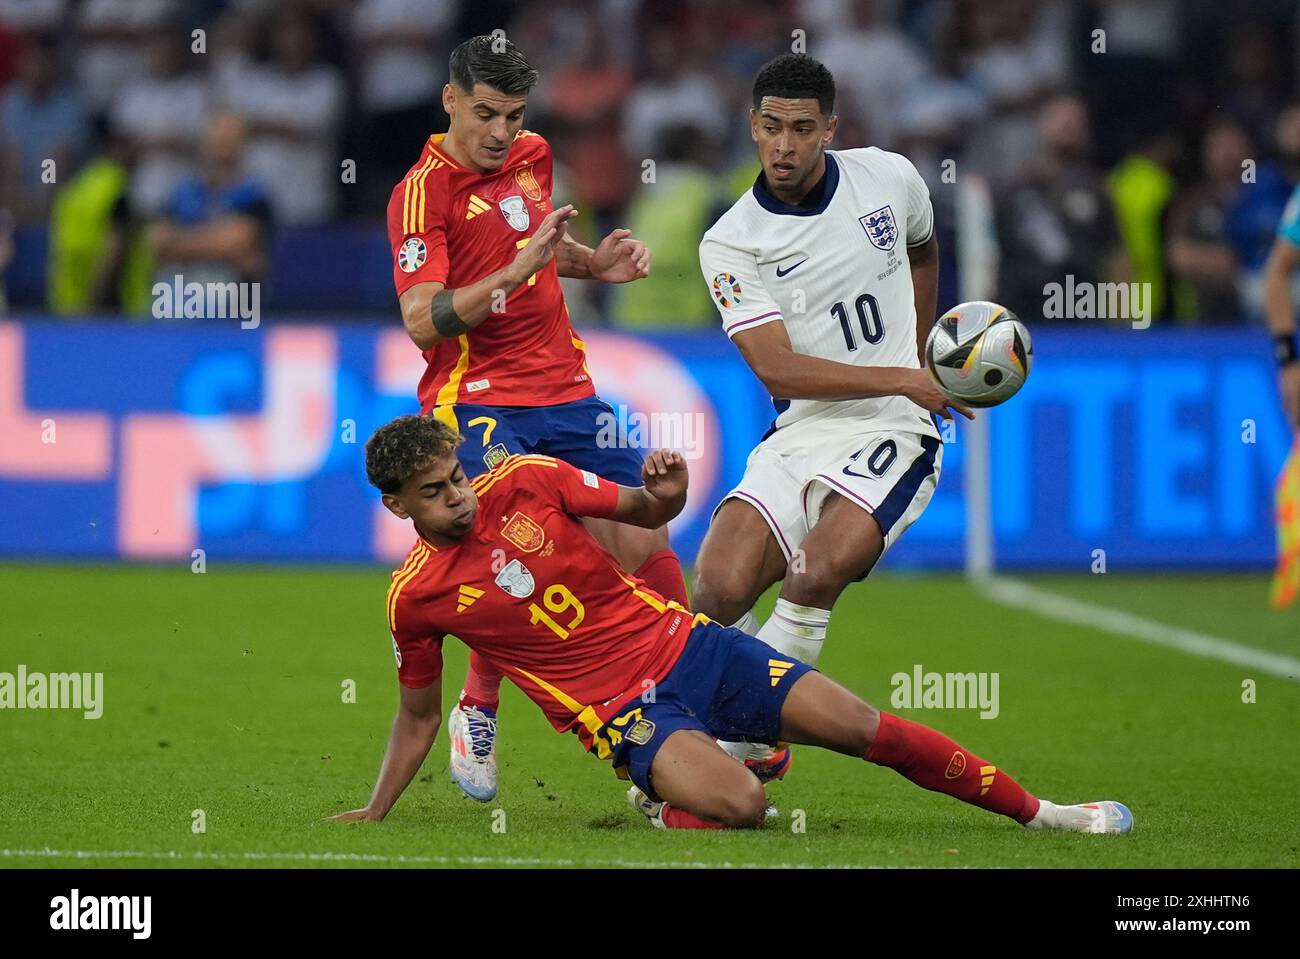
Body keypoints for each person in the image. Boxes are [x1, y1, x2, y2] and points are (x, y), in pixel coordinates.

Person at [330, 412, 1132, 836]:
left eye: (457, 475)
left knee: (864, 728)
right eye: (435, 491)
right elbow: (418, 716)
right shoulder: (417, 597)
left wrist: (669, 488)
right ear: (397, 504)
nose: (459, 494)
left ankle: (1045, 813)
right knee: (743, 805)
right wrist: (376, 809)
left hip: (693, 648)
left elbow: (649, 514)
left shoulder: (527, 481)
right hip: (624, 713)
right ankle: (662, 790)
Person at [384, 35, 687, 803]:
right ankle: (477, 707)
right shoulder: (421, 195)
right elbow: (424, 322)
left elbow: (535, 245)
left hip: (569, 391)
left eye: (512, 117)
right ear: (450, 99)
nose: (498, 132)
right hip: (477, 399)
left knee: (650, 533)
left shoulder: (533, 154)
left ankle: (670, 733)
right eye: (485, 114)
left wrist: (592, 262)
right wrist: (516, 272)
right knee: (526, 548)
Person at [691, 53, 969, 781]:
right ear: (752, 127)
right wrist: (908, 372)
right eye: (772, 127)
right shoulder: (731, 240)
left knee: (813, 573)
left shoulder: (890, 177)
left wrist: (919, 361)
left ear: (830, 130)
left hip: (893, 426)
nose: (784, 145)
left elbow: (923, 247)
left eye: (802, 129)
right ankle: (757, 735)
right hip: (802, 427)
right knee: (715, 593)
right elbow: (776, 369)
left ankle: (749, 743)